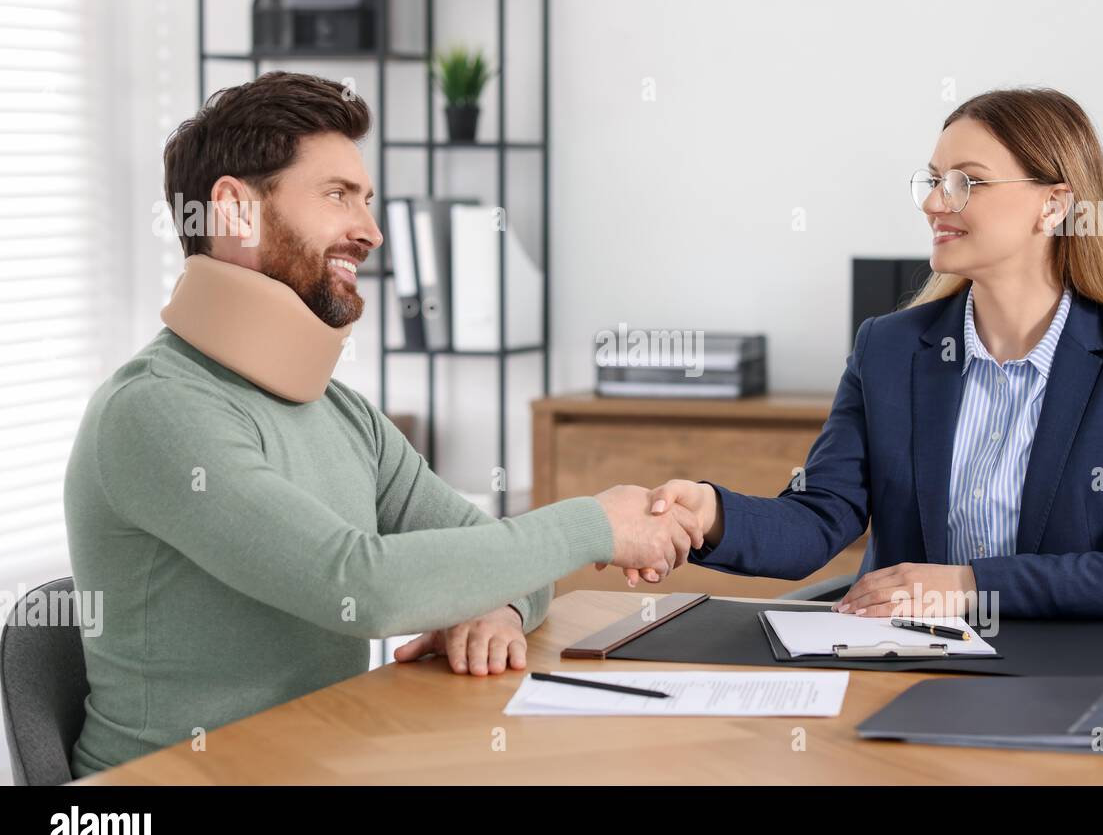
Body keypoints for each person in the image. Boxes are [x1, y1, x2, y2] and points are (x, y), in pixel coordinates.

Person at [64, 71, 698, 776]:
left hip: (322, 761)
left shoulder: (341, 413)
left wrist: (500, 609)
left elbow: (497, 553)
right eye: (338, 195)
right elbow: (361, 587)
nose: (370, 230)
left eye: (365, 200)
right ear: (235, 212)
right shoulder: (154, 413)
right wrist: (595, 522)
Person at [646, 88, 1103, 621]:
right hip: (907, 665)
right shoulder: (888, 349)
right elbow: (818, 518)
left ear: (1053, 205)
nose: (936, 203)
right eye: (935, 180)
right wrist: (710, 514)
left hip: (1062, 681)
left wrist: (968, 586)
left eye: (967, 182)